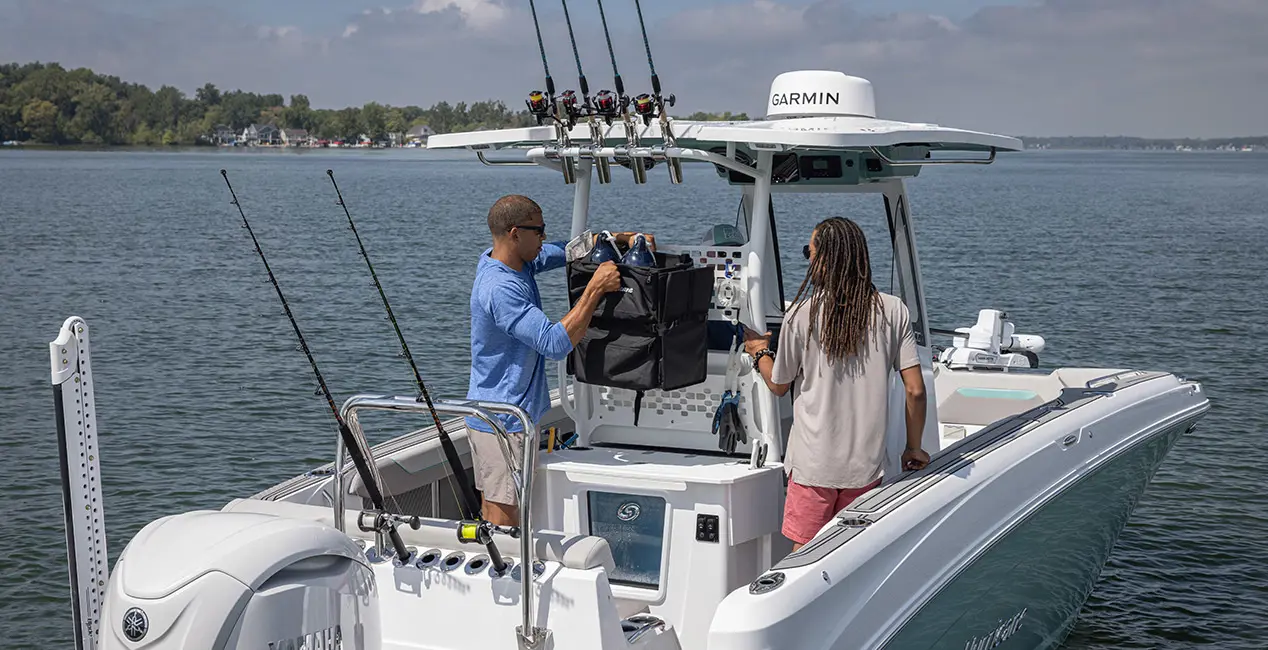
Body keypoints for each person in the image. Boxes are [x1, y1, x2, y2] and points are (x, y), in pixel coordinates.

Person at [744, 216, 930, 551]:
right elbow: (915, 390)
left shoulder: (802, 315)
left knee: (804, 557)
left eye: (809, 252)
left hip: (813, 469)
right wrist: (913, 448)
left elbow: (778, 384)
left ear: (823, 260)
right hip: (865, 469)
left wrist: (759, 352)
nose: (808, 259)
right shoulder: (893, 311)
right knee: (851, 555)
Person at [465, 194, 652, 527]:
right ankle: (507, 574)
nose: (544, 236)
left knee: (501, 507)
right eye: (539, 230)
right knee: (503, 518)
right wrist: (594, 290)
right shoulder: (500, 288)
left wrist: (618, 239)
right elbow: (554, 344)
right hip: (503, 421)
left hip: (509, 415)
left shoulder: (515, 262)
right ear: (514, 233)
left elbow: (568, 250)